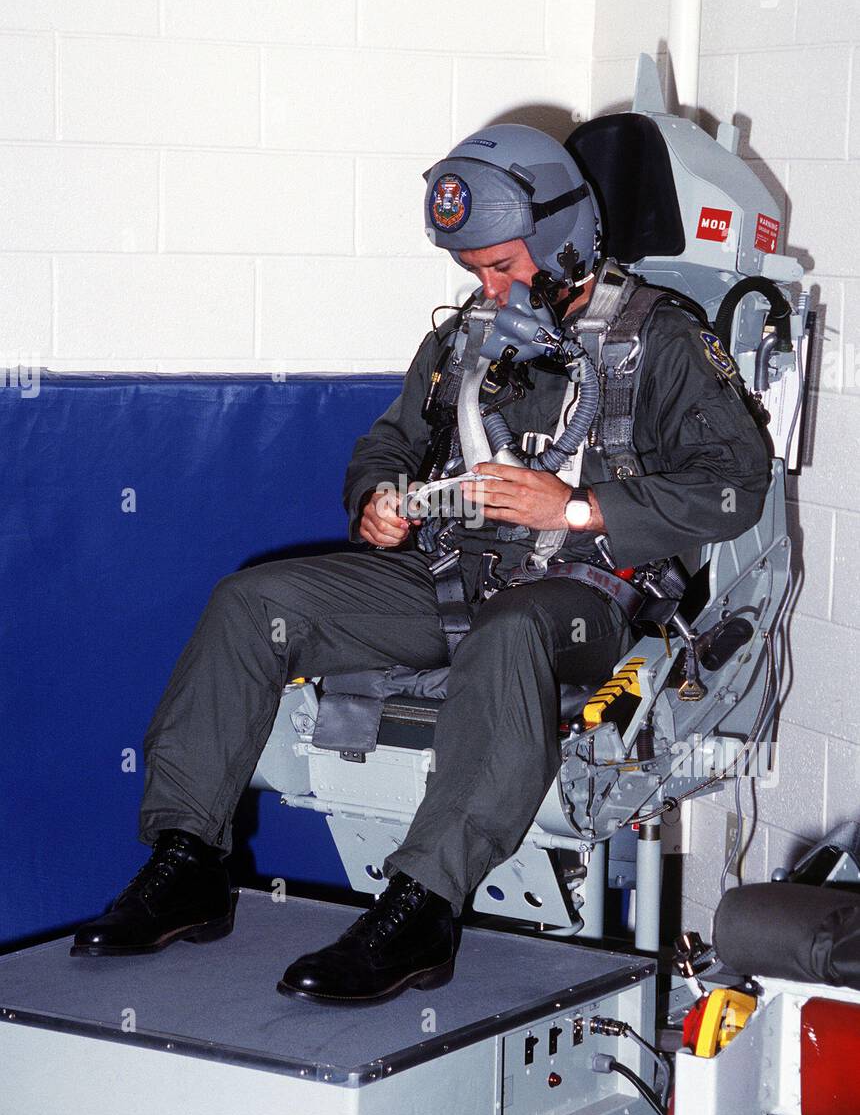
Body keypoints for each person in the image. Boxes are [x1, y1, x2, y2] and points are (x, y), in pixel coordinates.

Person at [72, 124, 771, 1005]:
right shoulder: (466, 342)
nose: (490, 287)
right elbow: (390, 441)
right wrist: (378, 500)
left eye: (504, 265)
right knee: (255, 603)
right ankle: (186, 859)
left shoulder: (660, 341)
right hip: (453, 579)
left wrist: (577, 507)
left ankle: (424, 908)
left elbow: (735, 489)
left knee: (513, 630)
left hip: (587, 595)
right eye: (474, 270)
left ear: (564, 240)